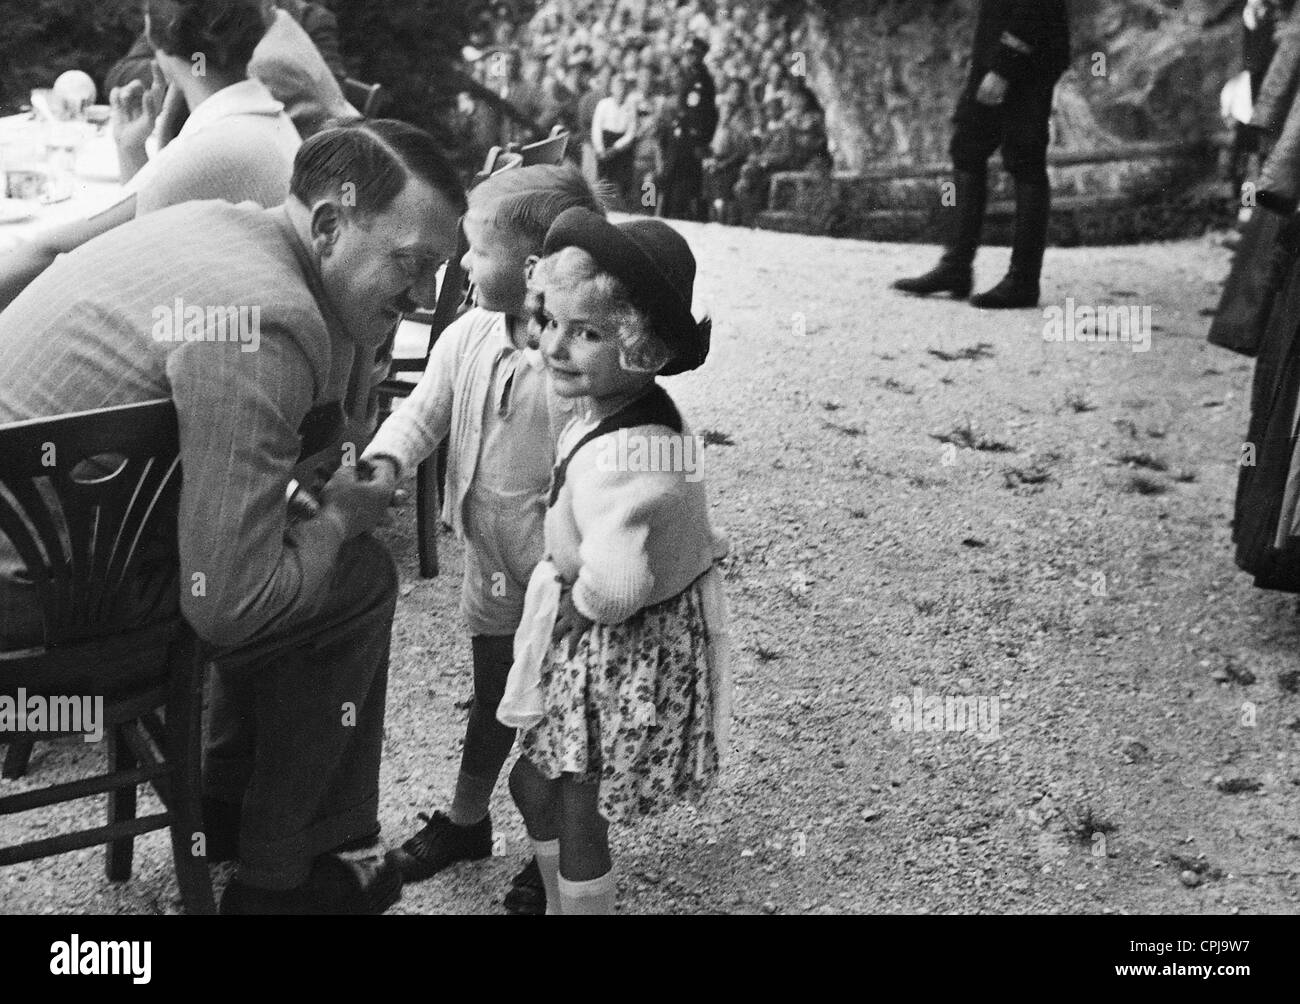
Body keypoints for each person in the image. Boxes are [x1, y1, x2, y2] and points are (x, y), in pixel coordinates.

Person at [0, 120, 466, 914]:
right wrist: (339, 522)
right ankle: (278, 880)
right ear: (328, 225)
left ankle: (226, 812)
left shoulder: (219, 226)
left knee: (289, 547)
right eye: (411, 265)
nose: (425, 296)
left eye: (437, 270)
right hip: (35, 605)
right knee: (354, 580)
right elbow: (228, 606)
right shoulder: (263, 321)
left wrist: (308, 484)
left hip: (36, 542)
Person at [360, 165, 604, 913]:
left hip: (559, 581)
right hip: (489, 561)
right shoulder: (466, 336)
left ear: (532, 270)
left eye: (475, 251)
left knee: (562, 720)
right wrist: (385, 460)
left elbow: (600, 464)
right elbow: (423, 413)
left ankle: (555, 853)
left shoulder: (576, 362)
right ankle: (467, 820)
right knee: (492, 691)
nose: (461, 266)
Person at [497, 207, 731, 915]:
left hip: (616, 650)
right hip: (610, 645)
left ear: (641, 345)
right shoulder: (623, 409)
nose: (557, 347)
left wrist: (578, 599)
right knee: (534, 786)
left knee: (575, 805)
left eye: (589, 333)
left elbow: (620, 581)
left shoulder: (621, 459)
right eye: (554, 324)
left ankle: (578, 900)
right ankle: (550, 892)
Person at [0, 0, 300, 314]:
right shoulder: (260, 119)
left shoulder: (218, 146)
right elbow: (146, 232)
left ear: (159, 38)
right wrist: (130, 148)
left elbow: (53, 252)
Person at [892, 0, 1071, 309]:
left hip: (1031, 55)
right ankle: (956, 267)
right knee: (966, 147)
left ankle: (1023, 281)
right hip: (995, 48)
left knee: (1024, 158)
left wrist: (1004, 65)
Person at [104, 0, 358, 140]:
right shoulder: (195, 11)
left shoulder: (306, 20)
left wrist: (192, 70)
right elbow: (123, 72)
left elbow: (330, 103)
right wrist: (190, 70)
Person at [661, 36, 718, 221]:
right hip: (680, 138)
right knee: (670, 183)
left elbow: (697, 114)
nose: (689, 56)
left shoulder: (701, 80)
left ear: (701, 55)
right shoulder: (690, 76)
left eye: (693, 53)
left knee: (684, 186)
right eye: (688, 53)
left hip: (690, 141)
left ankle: (680, 218)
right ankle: (666, 215)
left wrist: (697, 139)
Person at [592, 73, 638, 207]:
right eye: (618, 86)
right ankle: (601, 207)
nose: (621, 89)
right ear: (612, 88)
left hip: (622, 147)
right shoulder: (603, 104)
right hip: (605, 142)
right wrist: (601, 149)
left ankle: (634, 209)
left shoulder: (631, 106)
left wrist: (617, 148)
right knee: (604, 181)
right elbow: (596, 127)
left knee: (625, 182)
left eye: (623, 86)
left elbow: (631, 131)